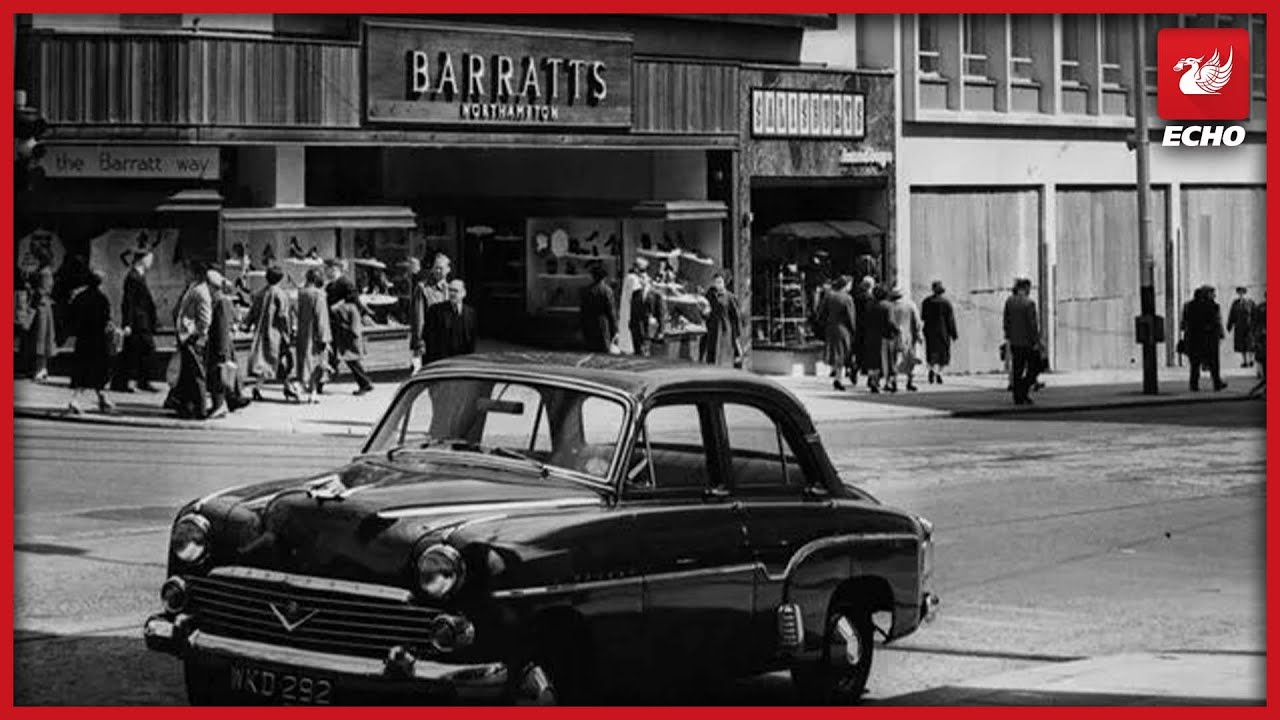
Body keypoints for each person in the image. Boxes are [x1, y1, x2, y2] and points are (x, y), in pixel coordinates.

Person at [64, 269, 115, 415]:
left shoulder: (80, 297)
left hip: (83, 340)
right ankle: (75, 400)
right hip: (98, 341)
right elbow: (106, 320)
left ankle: (102, 398)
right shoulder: (102, 299)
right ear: (101, 283)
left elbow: (72, 318)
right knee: (95, 372)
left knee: (85, 371)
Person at [246, 266, 300, 402]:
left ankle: (264, 387)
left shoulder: (260, 293)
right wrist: (288, 332)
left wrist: (246, 325)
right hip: (276, 334)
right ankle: (282, 387)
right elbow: (283, 316)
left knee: (273, 361)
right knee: (279, 360)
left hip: (262, 332)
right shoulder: (281, 294)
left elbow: (251, 313)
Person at [171, 267, 216, 419]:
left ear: (196, 273)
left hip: (193, 338)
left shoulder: (201, 291)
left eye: (188, 270)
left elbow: (205, 319)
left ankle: (200, 409)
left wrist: (195, 334)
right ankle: (186, 406)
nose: (185, 273)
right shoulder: (193, 288)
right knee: (188, 374)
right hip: (186, 336)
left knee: (196, 374)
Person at [112, 250, 159, 393]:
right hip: (137, 322)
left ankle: (139, 381)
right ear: (141, 260)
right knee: (139, 350)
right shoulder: (133, 277)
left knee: (138, 351)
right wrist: (127, 324)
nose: (151, 262)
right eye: (149, 259)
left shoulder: (139, 276)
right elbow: (128, 302)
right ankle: (124, 382)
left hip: (142, 321)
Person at [206, 279, 249, 418]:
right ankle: (230, 401)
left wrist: (222, 350)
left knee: (220, 374)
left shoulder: (221, 302)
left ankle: (220, 405)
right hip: (220, 344)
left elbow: (222, 328)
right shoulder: (219, 301)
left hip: (220, 344)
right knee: (221, 374)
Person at [1180, 285, 1228, 392]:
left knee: (1195, 364)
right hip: (1209, 339)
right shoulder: (1213, 306)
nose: (1214, 295)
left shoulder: (1188, 306)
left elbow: (1183, 324)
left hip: (1193, 339)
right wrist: (1220, 334)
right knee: (1213, 363)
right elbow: (1216, 322)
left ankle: (1194, 385)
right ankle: (1217, 383)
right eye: (1212, 293)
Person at [296, 267, 332, 404]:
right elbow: (321, 317)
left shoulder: (302, 293)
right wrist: (325, 338)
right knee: (317, 364)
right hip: (315, 334)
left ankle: (309, 390)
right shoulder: (319, 295)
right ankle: (312, 392)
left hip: (303, 332)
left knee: (305, 363)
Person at [1003, 277, 1041, 405]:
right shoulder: (1029, 303)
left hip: (1015, 342)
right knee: (1035, 368)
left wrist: (1008, 336)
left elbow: (1006, 322)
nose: (1030, 290)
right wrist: (1036, 341)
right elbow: (1032, 325)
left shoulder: (1009, 302)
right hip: (1028, 342)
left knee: (1017, 369)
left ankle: (1018, 396)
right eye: (1029, 288)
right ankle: (1023, 390)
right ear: (1024, 288)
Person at [411, 253, 452, 370]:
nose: (438, 271)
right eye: (436, 267)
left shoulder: (450, 289)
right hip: (431, 339)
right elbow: (419, 317)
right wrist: (419, 342)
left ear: (448, 269)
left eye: (441, 268)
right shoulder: (423, 288)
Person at [816, 275, 857, 390]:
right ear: (845, 285)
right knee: (842, 353)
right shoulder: (847, 298)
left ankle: (838, 374)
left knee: (835, 352)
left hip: (831, 328)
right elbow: (851, 317)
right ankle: (838, 378)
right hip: (843, 329)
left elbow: (821, 314)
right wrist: (853, 330)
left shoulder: (829, 296)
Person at [424, 279, 478, 363]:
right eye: (450, 290)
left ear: (464, 293)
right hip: (442, 360)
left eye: (455, 291)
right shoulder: (436, 310)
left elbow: (472, 339)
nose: (452, 293)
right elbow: (429, 337)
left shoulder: (470, 313)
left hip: (463, 360)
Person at [332, 293, 375, 396]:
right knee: (353, 362)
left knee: (353, 362)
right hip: (353, 339)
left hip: (350, 339)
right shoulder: (353, 308)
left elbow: (353, 326)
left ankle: (365, 383)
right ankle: (365, 382)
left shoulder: (347, 308)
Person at [883, 285, 922, 393]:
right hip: (907, 336)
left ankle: (892, 381)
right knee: (909, 359)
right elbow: (917, 321)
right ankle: (909, 382)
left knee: (893, 359)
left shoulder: (889, 306)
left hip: (892, 336)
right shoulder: (910, 305)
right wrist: (918, 334)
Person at [702, 273, 743, 368]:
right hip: (712, 328)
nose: (718, 284)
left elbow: (735, 316)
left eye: (720, 282)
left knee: (724, 352)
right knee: (711, 352)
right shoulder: (709, 296)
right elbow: (705, 310)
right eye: (716, 282)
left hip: (725, 329)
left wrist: (737, 333)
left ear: (724, 283)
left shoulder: (730, 297)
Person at [921, 280, 959, 385]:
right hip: (943, 331)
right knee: (943, 354)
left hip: (930, 330)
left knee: (931, 352)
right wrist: (954, 333)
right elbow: (950, 320)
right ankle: (939, 373)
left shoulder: (926, 302)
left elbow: (923, 317)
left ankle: (932, 369)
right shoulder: (946, 303)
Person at [25, 262, 56, 383]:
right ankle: (40, 368)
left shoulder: (44, 273)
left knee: (41, 337)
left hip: (41, 307)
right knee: (40, 338)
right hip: (42, 306)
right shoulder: (44, 271)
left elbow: (42, 291)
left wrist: (29, 288)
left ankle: (41, 368)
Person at [859, 285, 893, 393]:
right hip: (883, 336)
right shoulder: (887, 306)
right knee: (883, 360)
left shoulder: (869, 306)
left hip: (870, 335)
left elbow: (864, 320)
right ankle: (881, 382)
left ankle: (873, 380)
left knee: (872, 359)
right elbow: (890, 322)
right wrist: (896, 330)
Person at [579, 264, 618, 353]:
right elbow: (611, 310)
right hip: (603, 323)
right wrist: (615, 328)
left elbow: (582, 310)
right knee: (604, 349)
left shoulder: (586, 290)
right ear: (604, 277)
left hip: (589, 323)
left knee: (590, 348)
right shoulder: (607, 290)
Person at [618, 257, 651, 354]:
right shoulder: (632, 279)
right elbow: (638, 300)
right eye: (643, 270)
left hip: (634, 316)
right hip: (635, 316)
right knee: (637, 342)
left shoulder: (633, 278)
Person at [1227, 286, 1256, 368]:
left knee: (1250, 344)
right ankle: (1244, 361)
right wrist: (1229, 325)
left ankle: (1251, 360)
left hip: (1249, 326)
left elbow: (1254, 314)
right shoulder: (1235, 303)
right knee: (1242, 345)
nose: (1241, 294)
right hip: (1239, 326)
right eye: (1239, 293)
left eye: (1242, 292)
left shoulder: (1250, 302)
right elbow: (1232, 315)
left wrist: (1255, 325)